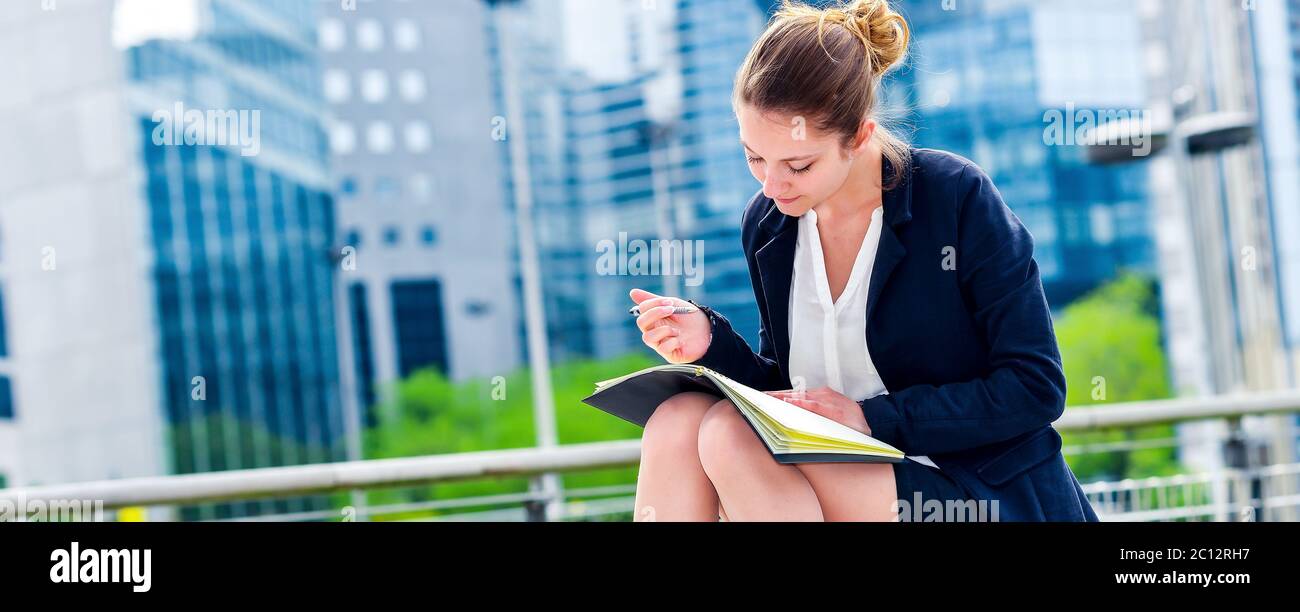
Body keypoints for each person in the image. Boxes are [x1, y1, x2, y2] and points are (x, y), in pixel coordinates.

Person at [629, 0, 1098, 522]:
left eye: (798, 165)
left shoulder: (954, 197)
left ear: (859, 136)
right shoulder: (770, 224)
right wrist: (709, 343)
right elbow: (791, 393)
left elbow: (1034, 387)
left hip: (967, 486)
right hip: (836, 472)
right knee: (677, 419)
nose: (771, 184)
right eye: (754, 157)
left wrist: (873, 419)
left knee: (727, 434)